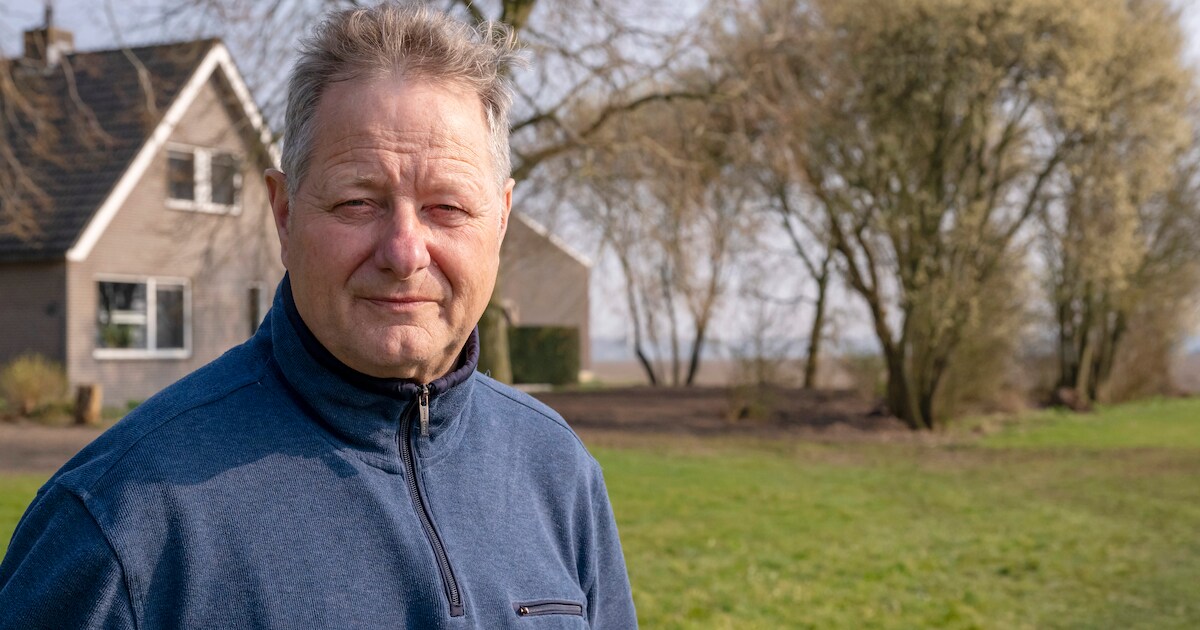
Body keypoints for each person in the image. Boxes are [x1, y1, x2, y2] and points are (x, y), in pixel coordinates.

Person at [0, 4, 637, 628]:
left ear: (499, 220)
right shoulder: (119, 519)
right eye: (359, 201)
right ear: (284, 213)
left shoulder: (558, 470)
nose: (404, 253)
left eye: (448, 207)